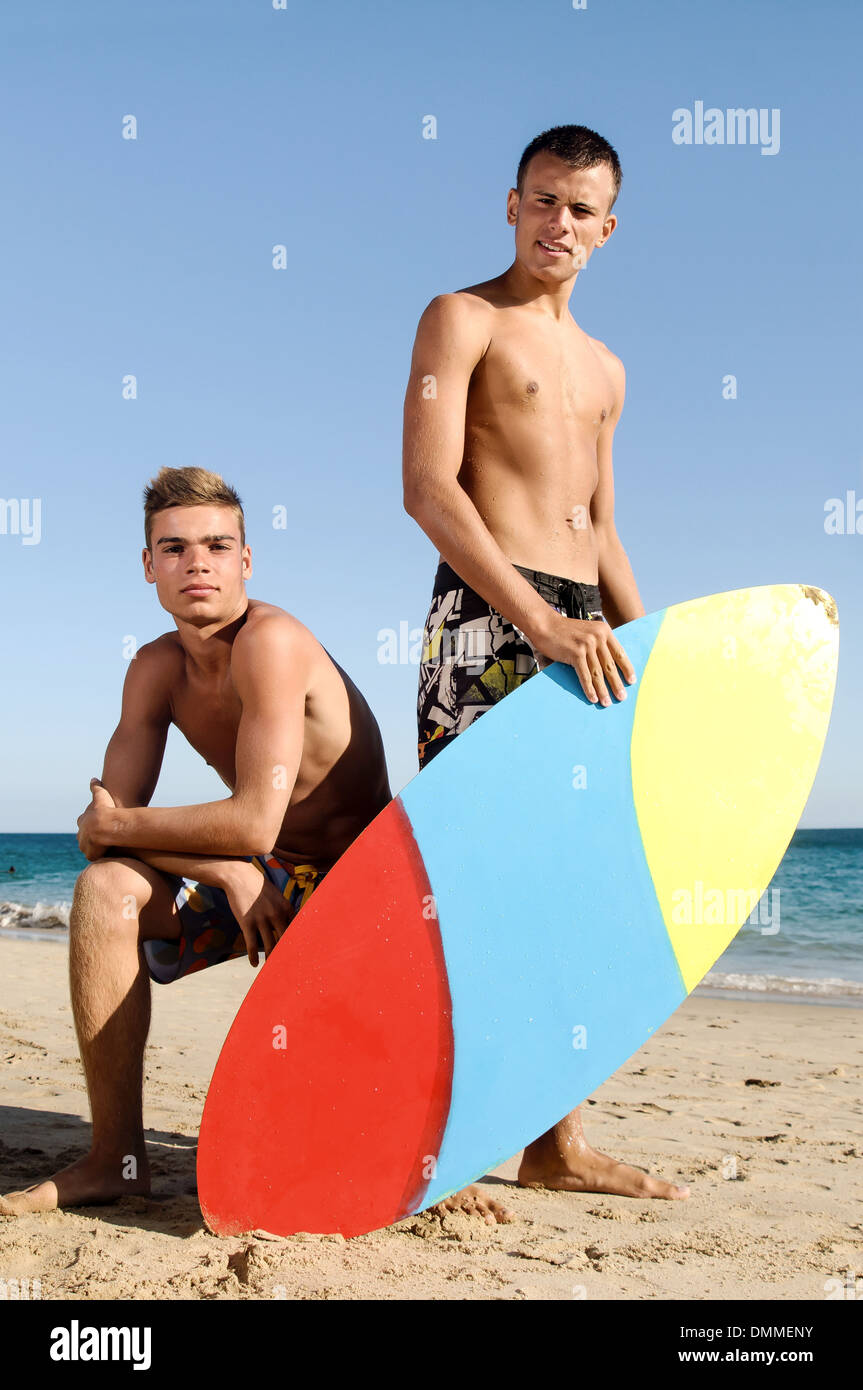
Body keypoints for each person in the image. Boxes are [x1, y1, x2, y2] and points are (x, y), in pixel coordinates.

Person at [403, 124, 689, 1219]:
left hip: (585, 630)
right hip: (486, 614)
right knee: (476, 889)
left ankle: (556, 1143)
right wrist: (533, 622)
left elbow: (605, 527)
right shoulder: (459, 318)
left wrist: (645, 651)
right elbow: (429, 489)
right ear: (509, 204)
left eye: (580, 209)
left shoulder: (608, 366)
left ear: (607, 228)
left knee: (576, 890)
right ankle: (457, 1138)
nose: (557, 222)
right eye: (541, 200)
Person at [1, 466, 391, 1215]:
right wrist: (229, 871)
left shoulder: (271, 643)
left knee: (336, 1144)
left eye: (217, 545)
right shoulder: (154, 668)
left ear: (247, 559)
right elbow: (107, 843)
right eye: (174, 549)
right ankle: (114, 1160)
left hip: (360, 882)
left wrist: (149, 833)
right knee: (106, 891)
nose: (197, 564)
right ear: (149, 566)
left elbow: (243, 822)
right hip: (259, 871)